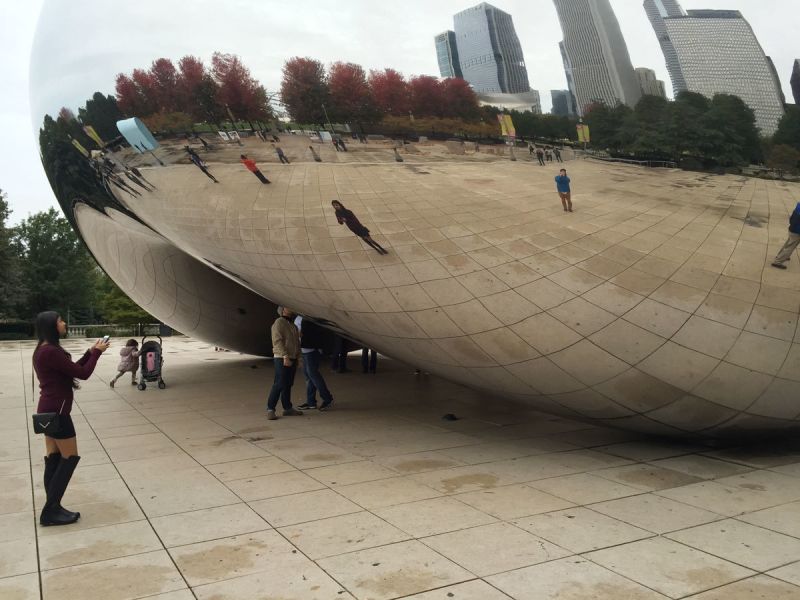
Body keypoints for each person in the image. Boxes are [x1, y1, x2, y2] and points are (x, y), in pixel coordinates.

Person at [33, 311, 109, 526]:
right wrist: (97, 354)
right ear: (52, 326)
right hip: (58, 412)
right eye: (60, 321)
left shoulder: (44, 349)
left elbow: (73, 370)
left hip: (47, 410)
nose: (64, 323)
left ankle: (53, 507)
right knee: (70, 458)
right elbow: (83, 374)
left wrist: (91, 351)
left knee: (54, 458)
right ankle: (51, 511)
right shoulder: (50, 351)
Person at [266, 306, 303, 420]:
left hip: (292, 357)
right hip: (282, 357)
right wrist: (285, 356)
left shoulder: (293, 325)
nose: (291, 308)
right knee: (280, 383)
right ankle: (270, 409)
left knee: (288, 384)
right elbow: (277, 341)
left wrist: (298, 358)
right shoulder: (279, 323)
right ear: (283, 310)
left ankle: (287, 408)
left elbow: (297, 343)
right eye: (287, 307)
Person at [294, 315, 335, 411]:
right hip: (304, 351)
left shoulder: (308, 317)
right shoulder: (299, 318)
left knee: (313, 375)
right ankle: (311, 402)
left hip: (311, 351)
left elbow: (304, 334)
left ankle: (327, 398)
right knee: (309, 377)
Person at [771, 202, 800, 269]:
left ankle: (780, 256)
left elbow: (793, 216)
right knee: (790, 247)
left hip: (792, 228)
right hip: (797, 231)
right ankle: (778, 262)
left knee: (788, 243)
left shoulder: (799, 205)